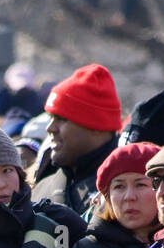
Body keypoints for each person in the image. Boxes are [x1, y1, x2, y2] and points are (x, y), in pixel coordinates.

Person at [32, 64, 123, 216]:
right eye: (51, 118)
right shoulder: (43, 186)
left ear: (96, 126)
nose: (50, 128)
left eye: (61, 119)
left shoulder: (129, 190)